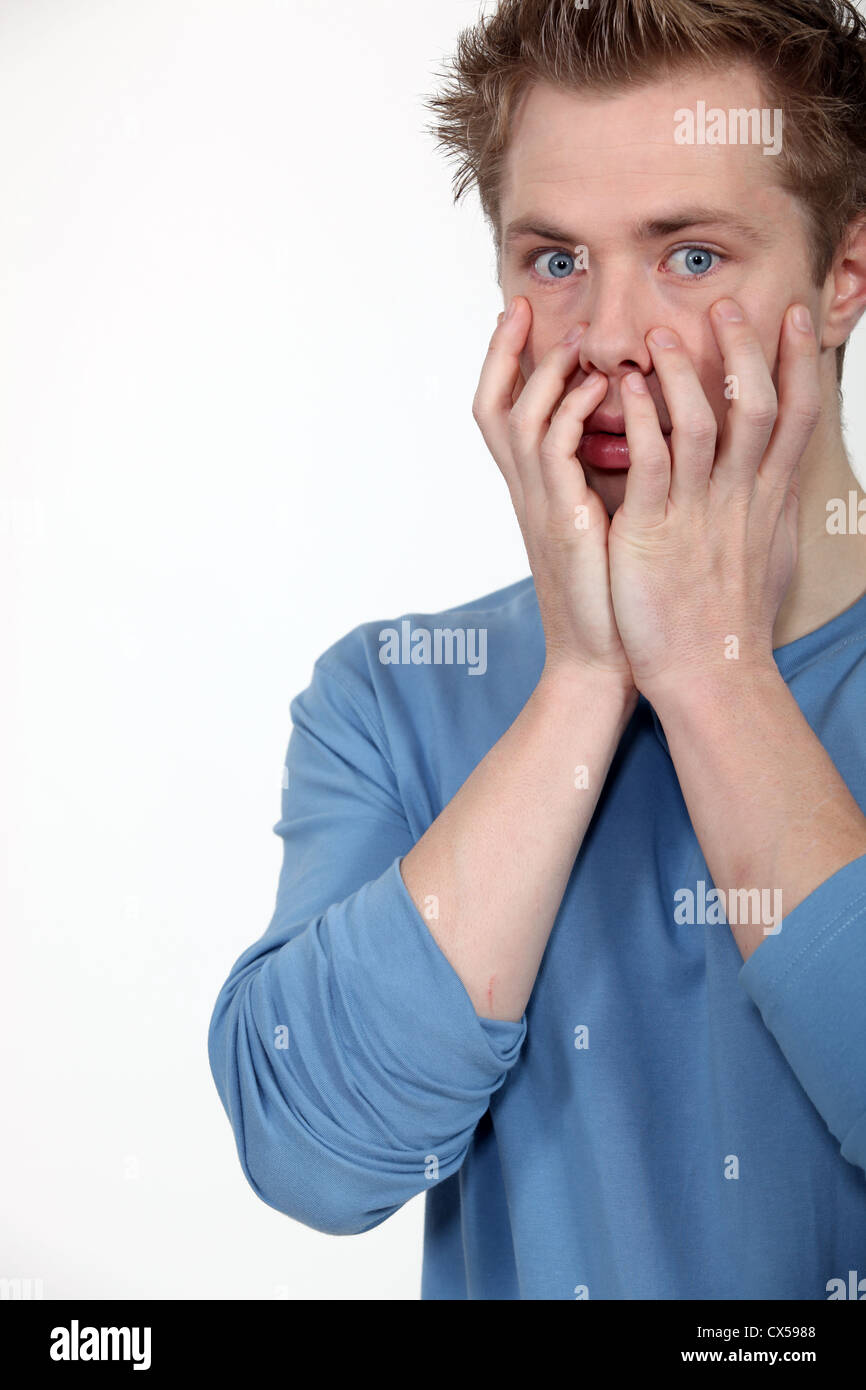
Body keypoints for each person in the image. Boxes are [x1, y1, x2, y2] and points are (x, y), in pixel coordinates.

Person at [208, 0, 866, 1299]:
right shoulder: (388, 697)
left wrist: (710, 671)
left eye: (688, 255)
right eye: (555, 260)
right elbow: (314, 1157)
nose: (607, 334)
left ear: (842, 271)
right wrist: (584, 675)